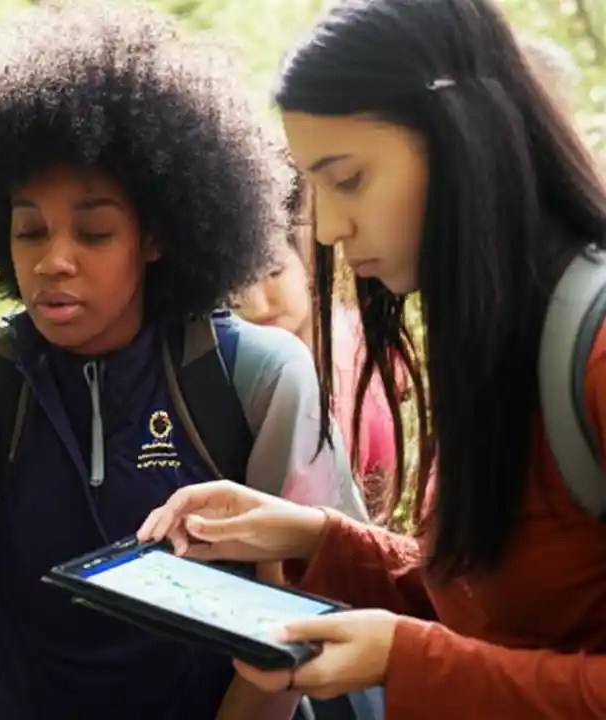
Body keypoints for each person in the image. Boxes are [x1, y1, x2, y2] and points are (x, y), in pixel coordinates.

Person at [0, 3, 368, 718]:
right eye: (29, 231)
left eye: (96, 231)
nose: (54, 260)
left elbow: (300, 638)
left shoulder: (255, 379)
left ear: (157, 237)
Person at [138, 0, 606, 717]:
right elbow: (501, 604)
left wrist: (407, 658)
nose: (327, 226)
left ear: (463, 141)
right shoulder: (504, 337)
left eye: (348, 178)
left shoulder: (593, 351)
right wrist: (318, 536)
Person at [235, 168, 399, 517]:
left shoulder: (360, 348)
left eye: (274, 273)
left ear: (310, 253)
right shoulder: (240, 366)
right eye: (236, 285)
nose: (256, 303)